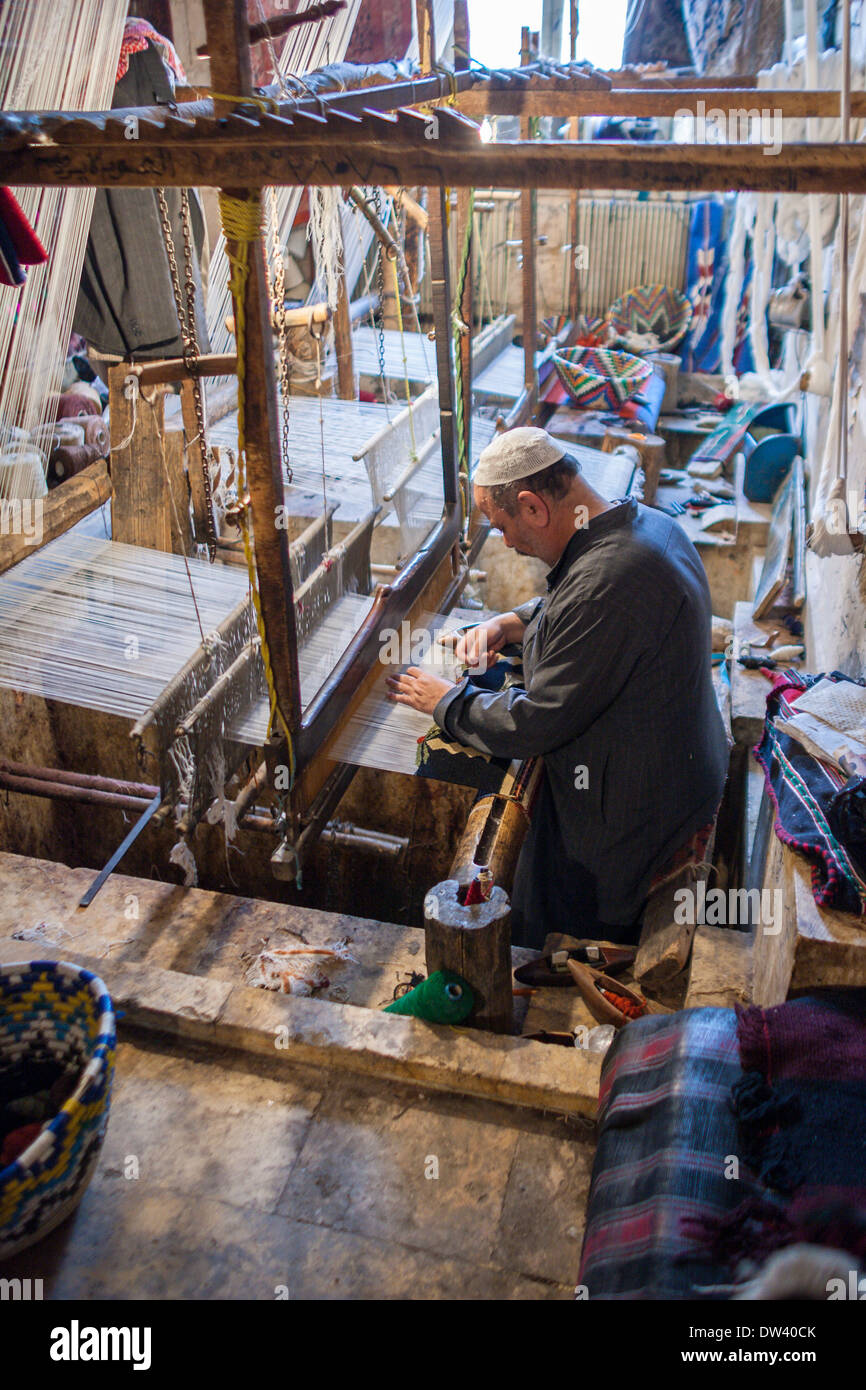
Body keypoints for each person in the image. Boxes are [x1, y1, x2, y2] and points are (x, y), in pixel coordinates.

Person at [386, 426, 729, 949]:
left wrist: (446, 701)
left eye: (503, 526)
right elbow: (572, 606)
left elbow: (537, 722)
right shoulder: (647, 527)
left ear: (532, 507)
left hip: (641, 818)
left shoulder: (607, 583)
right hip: (680, 772)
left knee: (542, 897)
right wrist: (507, 623)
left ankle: (567, 963)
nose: (507, 542)